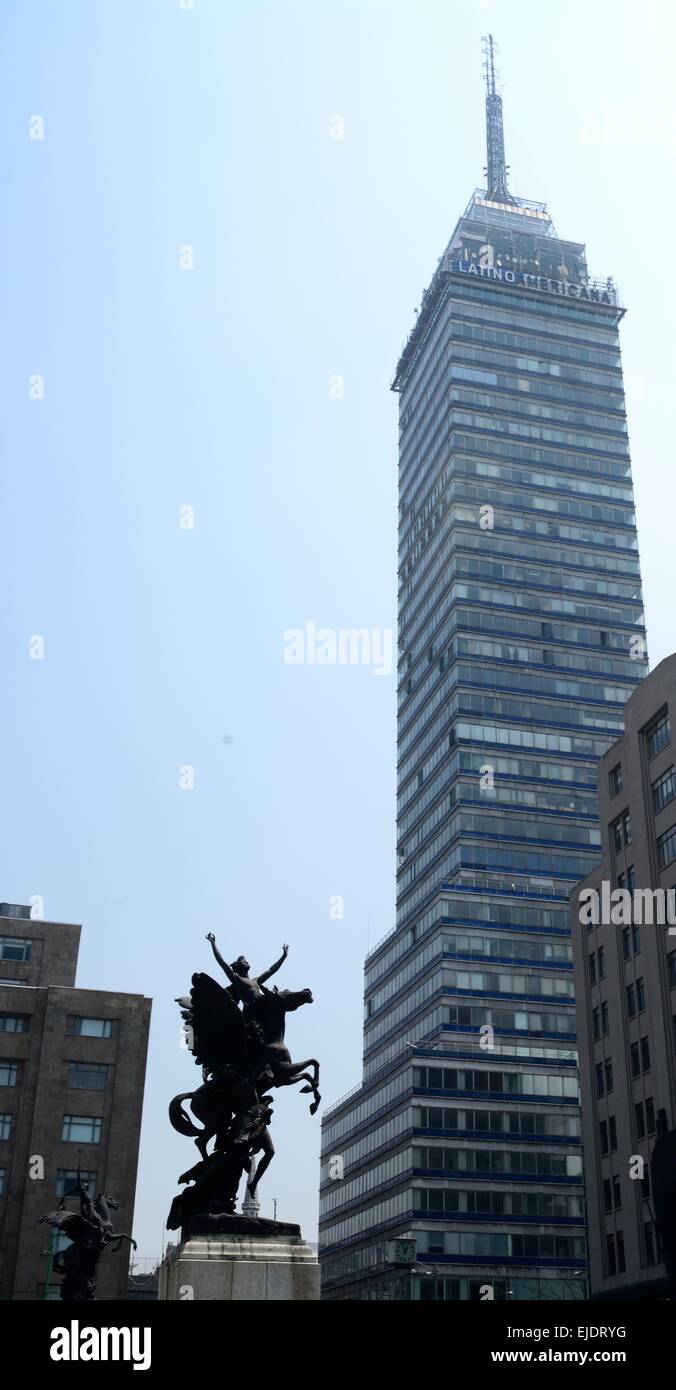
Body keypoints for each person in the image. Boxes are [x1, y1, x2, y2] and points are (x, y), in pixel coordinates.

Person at [205, 933, 288, 1015]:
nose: (246, 961)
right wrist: (213, 943)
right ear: (238, 966)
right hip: (252, 1010)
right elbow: (221, 962)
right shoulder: (237, 979)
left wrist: (284, 956)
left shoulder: (256, 981)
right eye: (243, 961)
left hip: (262, 1005)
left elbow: (271, 970)